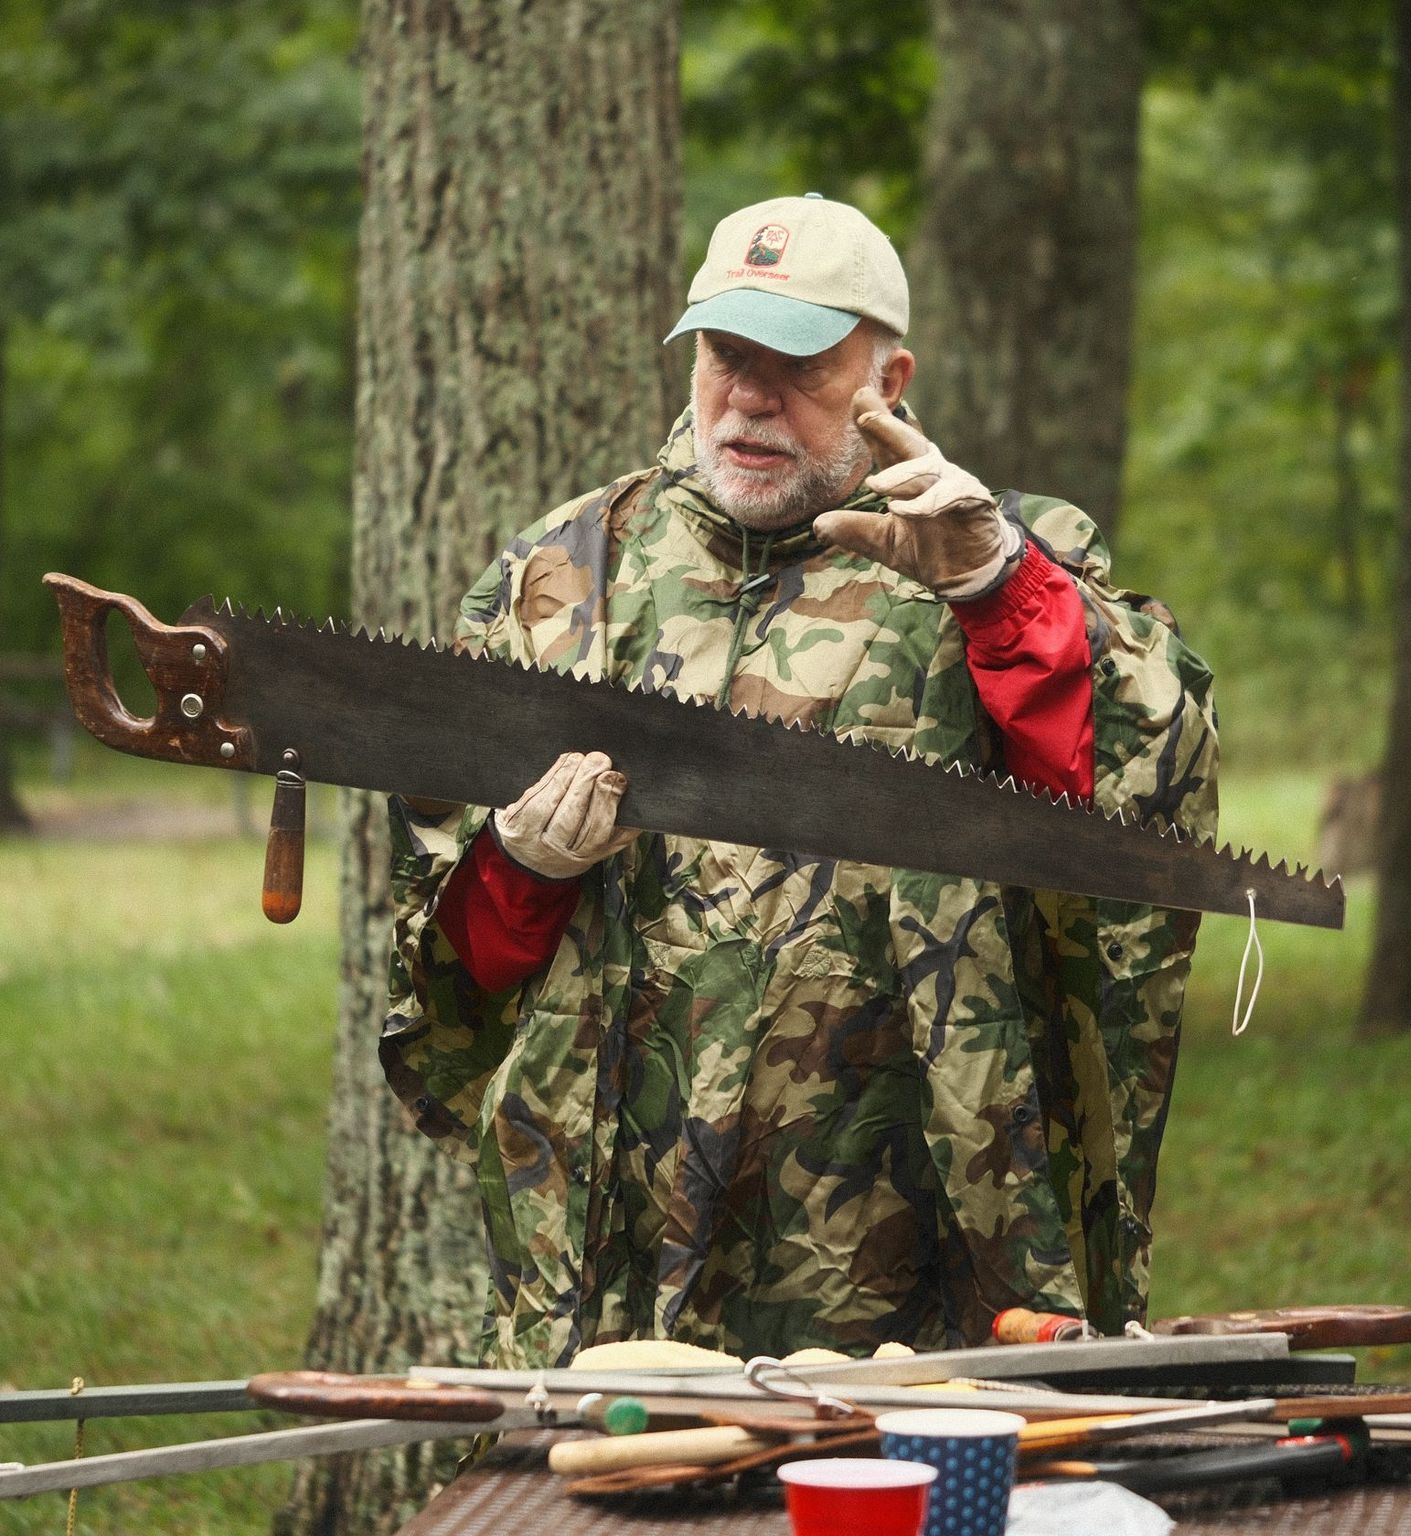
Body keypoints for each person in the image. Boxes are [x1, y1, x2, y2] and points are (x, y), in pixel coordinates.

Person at [378, 195, 1219, 1369]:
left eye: (801, 365)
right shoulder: (563, 576)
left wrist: (995, 589)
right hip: (617, 1255)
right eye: (727, 356)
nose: (751, 398)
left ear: (890, 376)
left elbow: (1133, 817)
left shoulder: (995, 549)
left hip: (915, 1248)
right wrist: (522, 867)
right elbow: (456, 960)